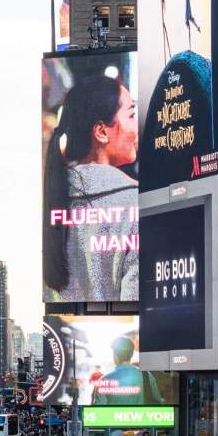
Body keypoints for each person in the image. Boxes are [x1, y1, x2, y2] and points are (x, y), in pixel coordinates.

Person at [42, 71, 139, 301]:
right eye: (132, 114)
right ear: (102, 132)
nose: (137, 126)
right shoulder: (135, 202)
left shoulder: (53, 197)